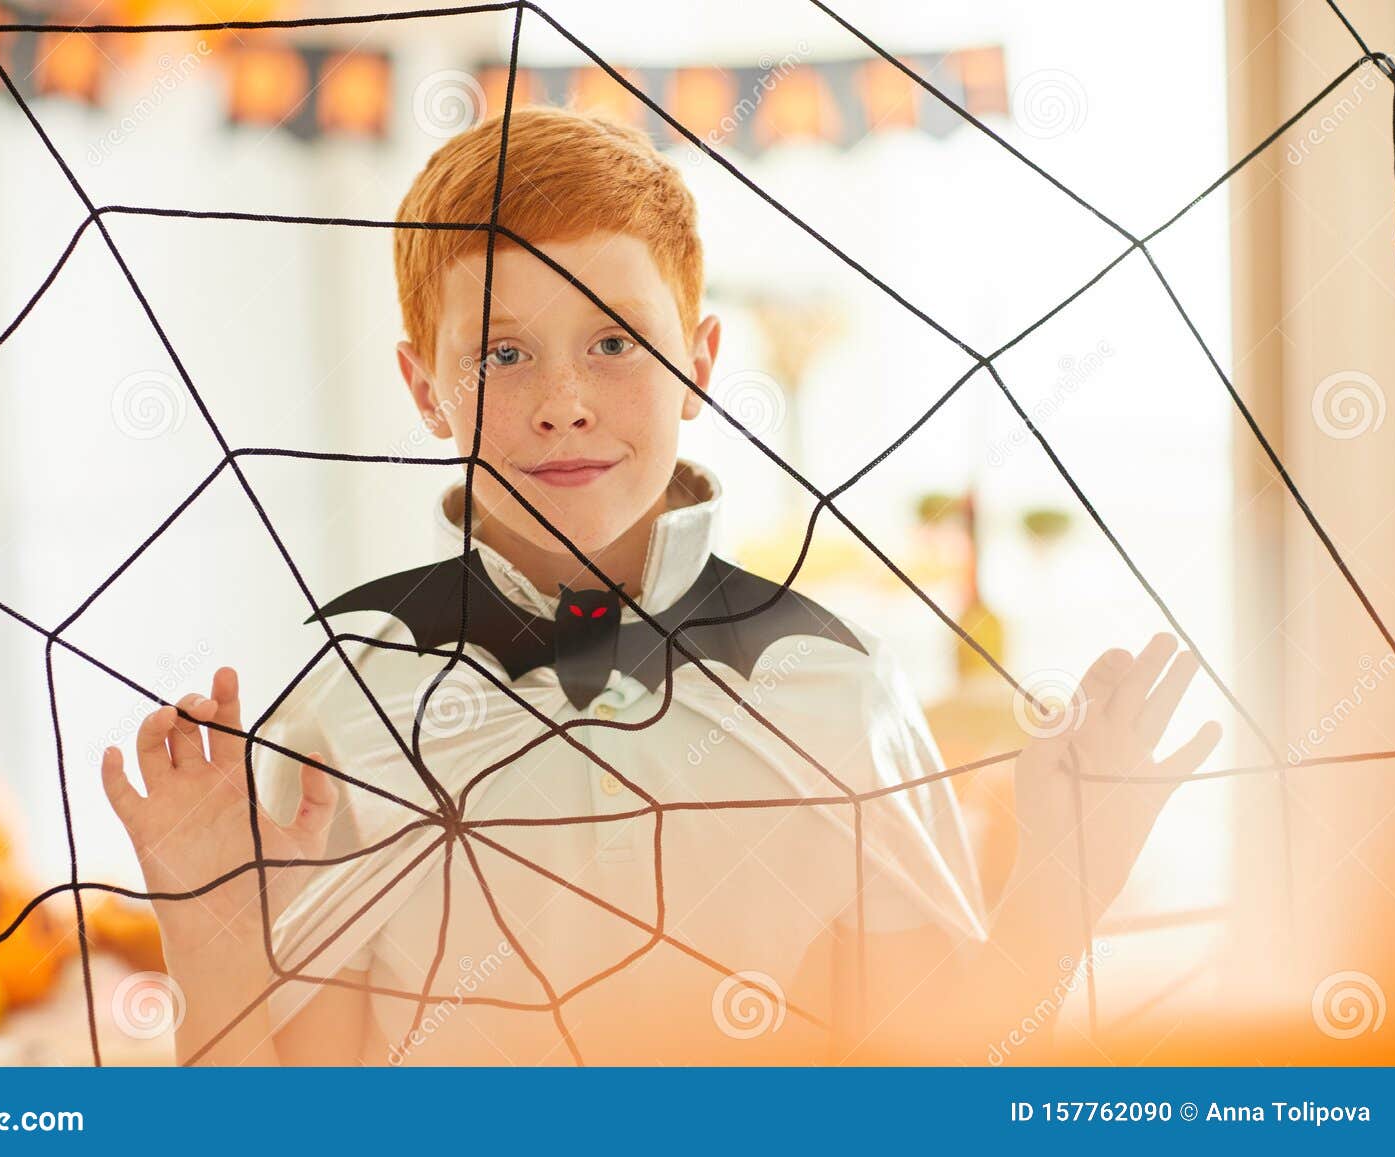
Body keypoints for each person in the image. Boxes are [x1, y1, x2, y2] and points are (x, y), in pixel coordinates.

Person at [99, 105, 1220, 1066]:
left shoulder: (827, 684)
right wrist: (206, 928)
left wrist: (1064, 880)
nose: (563, 401)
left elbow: (939, 1076)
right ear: (423, 384)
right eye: (501, 352)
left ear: (700, 361)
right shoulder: (350, 705)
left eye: (615, 342)